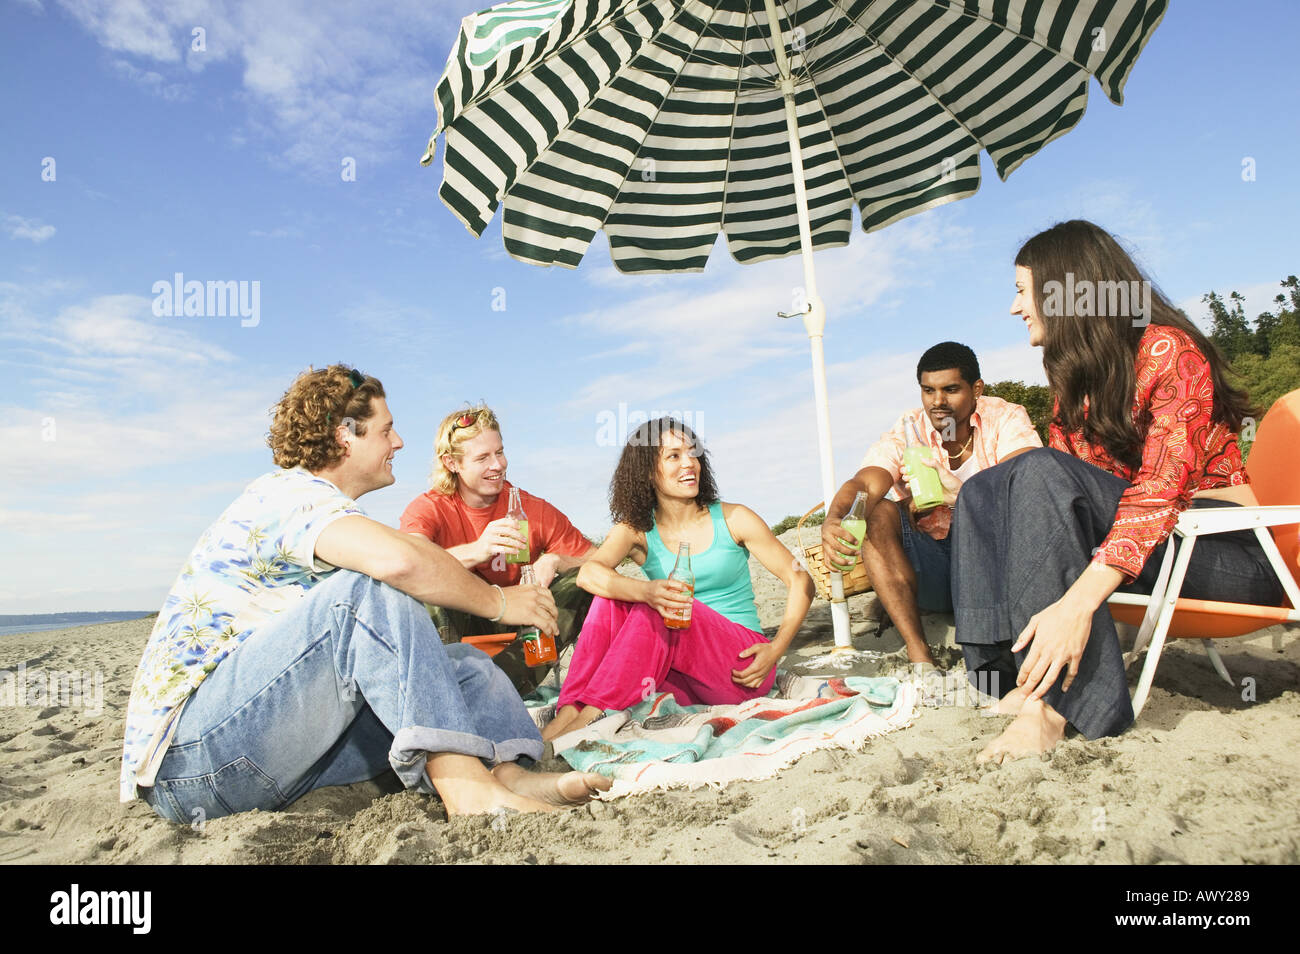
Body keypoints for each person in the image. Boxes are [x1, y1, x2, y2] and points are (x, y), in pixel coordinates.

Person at [120, 366, 609, 822]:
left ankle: (509, 775)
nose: (398, 441)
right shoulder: (287, 495)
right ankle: (466, 788)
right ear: (344, 435)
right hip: (192, 764)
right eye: (385, 429)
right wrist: (501, 603)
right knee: (370, 588)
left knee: (464, 665)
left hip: (279, 756)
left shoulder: (327, 511)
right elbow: (401, 561)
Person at [955, 220, 1284, 763]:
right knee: (983, 490)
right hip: (1158, 551)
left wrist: (1077, 606)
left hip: (1235, 558)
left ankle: (1055, 703)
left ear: (1064, 291)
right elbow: (1065, 511)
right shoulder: (1076, 385)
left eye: (1021, 290)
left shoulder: (1172, 354)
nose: (1016, 308)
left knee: (1038, 470)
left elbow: (1158, 493)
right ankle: (1009, 670)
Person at [542, 417, 815, 741]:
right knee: (612, 597)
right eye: (673, 456)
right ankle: (567, 716)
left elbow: (800, 580)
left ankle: (589, 719)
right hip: (681, 676)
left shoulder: (734, 518)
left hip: (740, 667)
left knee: (666, 604)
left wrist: (776, 648)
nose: (690, 463)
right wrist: (646, 591)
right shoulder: (637, 529)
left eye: (693, 453)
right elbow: (589, 574)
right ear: (647, 472)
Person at [821, 342, 1042, 665]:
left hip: (994, 568)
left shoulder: (1005, 417)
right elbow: (865, 483)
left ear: (976, 388)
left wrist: (957, 494)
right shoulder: (910, 428)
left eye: (950, 390)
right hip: (935, 569)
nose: (938, 402)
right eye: (928, 391)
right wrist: (835, 518)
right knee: (877, 510)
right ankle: (919, 653)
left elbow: (1026, 487)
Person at [400, 406, 595, 692]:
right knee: (432, 581)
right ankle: (446, 691)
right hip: (460, 623)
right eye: (483, 458)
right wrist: (477, 550)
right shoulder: (429, 507)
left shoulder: (530, 508)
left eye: (499, 452)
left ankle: (495, 690)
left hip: (519, 626)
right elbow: (409, 562)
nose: (498, 465)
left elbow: (601, 561)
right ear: (452, 463)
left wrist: (556, 560)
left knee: (585, 582)